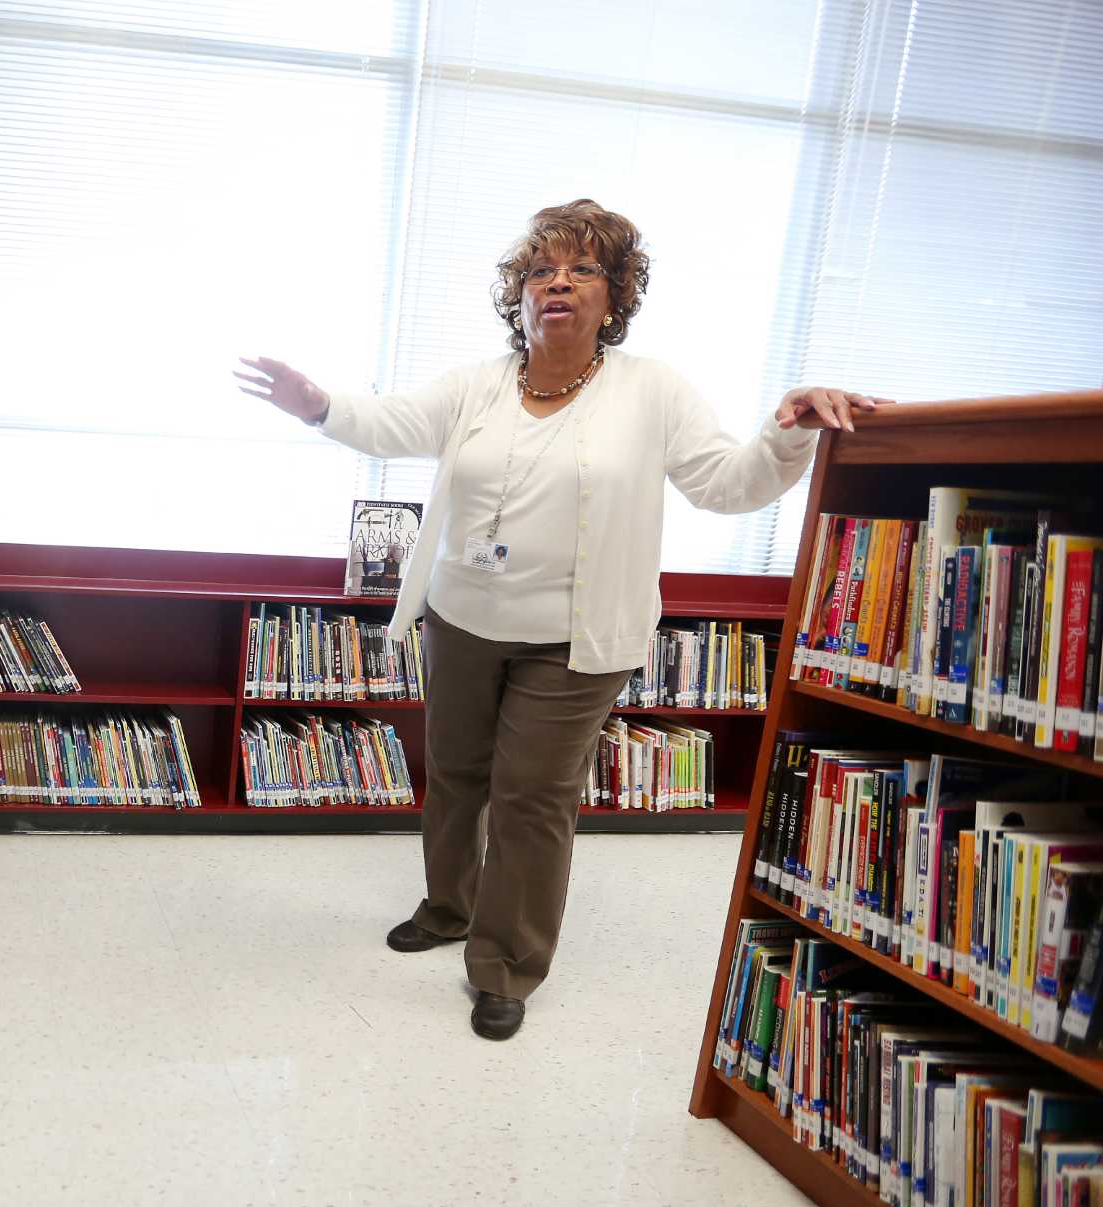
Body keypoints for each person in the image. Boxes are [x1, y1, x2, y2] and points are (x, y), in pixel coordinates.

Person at [236, 198, 887, 1042]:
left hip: (575, 640)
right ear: (520, 295)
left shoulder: (652, 391)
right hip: (466, 616)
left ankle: (504, 964)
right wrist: (318, 404)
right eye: (541, 270)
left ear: (612, 298)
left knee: (532, 798)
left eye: (582, 270)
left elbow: (728, 484)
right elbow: (394, 422)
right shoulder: (479, 384)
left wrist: (785, 433)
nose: (558, 283)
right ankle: (448, 905)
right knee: (459, 776)